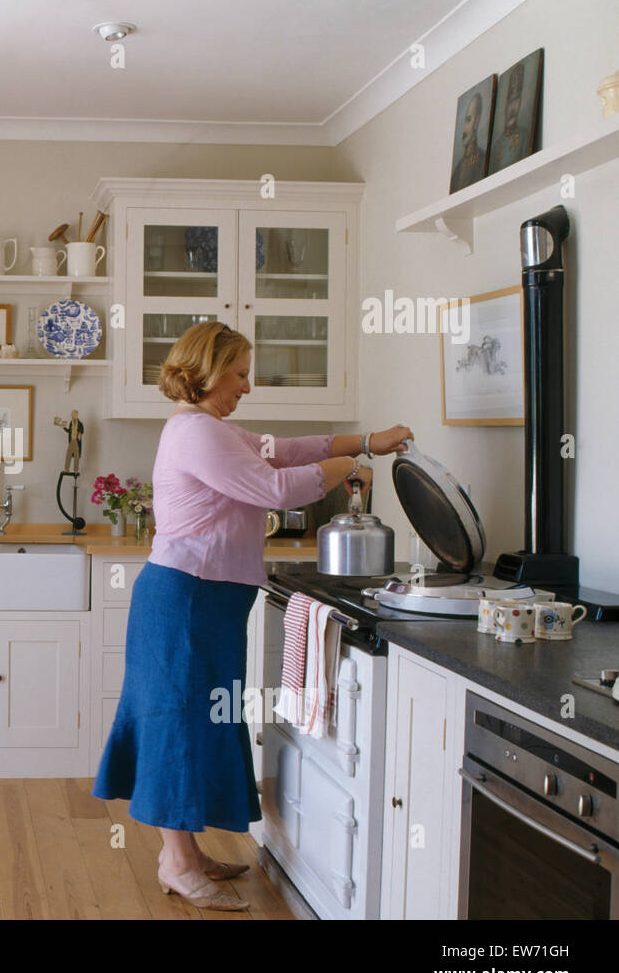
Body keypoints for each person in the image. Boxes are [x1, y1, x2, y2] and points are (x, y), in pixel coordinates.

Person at [90, 322, 412, 911]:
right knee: (179, 723)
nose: (246, 385)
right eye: (238, 373)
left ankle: (184, 852)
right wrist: (351, 470)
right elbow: (277, 488)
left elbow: (285, 451)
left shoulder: (216, 429)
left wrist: (366, 440)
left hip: (207, 597)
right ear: (207, 372)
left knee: (202, 721)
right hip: (185, 596)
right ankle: (177, 862)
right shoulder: (195, 434)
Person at [450, 90, 487, 193]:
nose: (463, 130)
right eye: (464, 122)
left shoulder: (483, 160)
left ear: (477, 122)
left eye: (468, 120)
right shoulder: (456, 172)